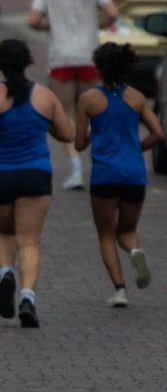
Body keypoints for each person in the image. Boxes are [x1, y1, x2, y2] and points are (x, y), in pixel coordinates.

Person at [0, 39, 74, 328]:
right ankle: (28, 298)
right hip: (35, 173)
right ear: (28, 62)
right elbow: (67, 134)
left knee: (4, 233)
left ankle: (7, 273)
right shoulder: (45, 95)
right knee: (29, 241)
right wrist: (43, 125)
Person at [75, 42, 164, 307]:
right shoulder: (136, 97)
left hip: (105, 175)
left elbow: (79, 143)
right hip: (134, 174)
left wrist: (94, 133)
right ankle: (135, 250)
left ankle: (120, 289)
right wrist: (138, 148)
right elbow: (159, 132)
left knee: (105, 235)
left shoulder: (89, 99)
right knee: (127, 231)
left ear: (98, 68)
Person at [28, 0, 120, 190]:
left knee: (66, 112)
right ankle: (96, 151)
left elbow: (33, 21)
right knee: (94, 109)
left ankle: (76, 169)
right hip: (91, 56)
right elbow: (112, 13)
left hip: (61, 57)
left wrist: (49, 27)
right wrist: (99, 24)